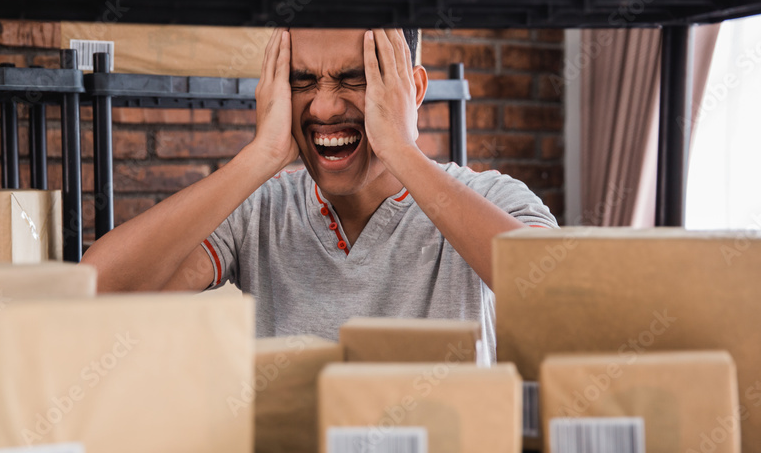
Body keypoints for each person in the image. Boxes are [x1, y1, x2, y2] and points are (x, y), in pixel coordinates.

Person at [81, 28, 557, 353]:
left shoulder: (493, 196)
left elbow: (556, 298)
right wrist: (259, 158)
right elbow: (96, 293)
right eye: (302, 82)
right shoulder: (260, 211)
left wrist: (400, 149)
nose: (325, 107)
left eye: (355, 79)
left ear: (412, 90)